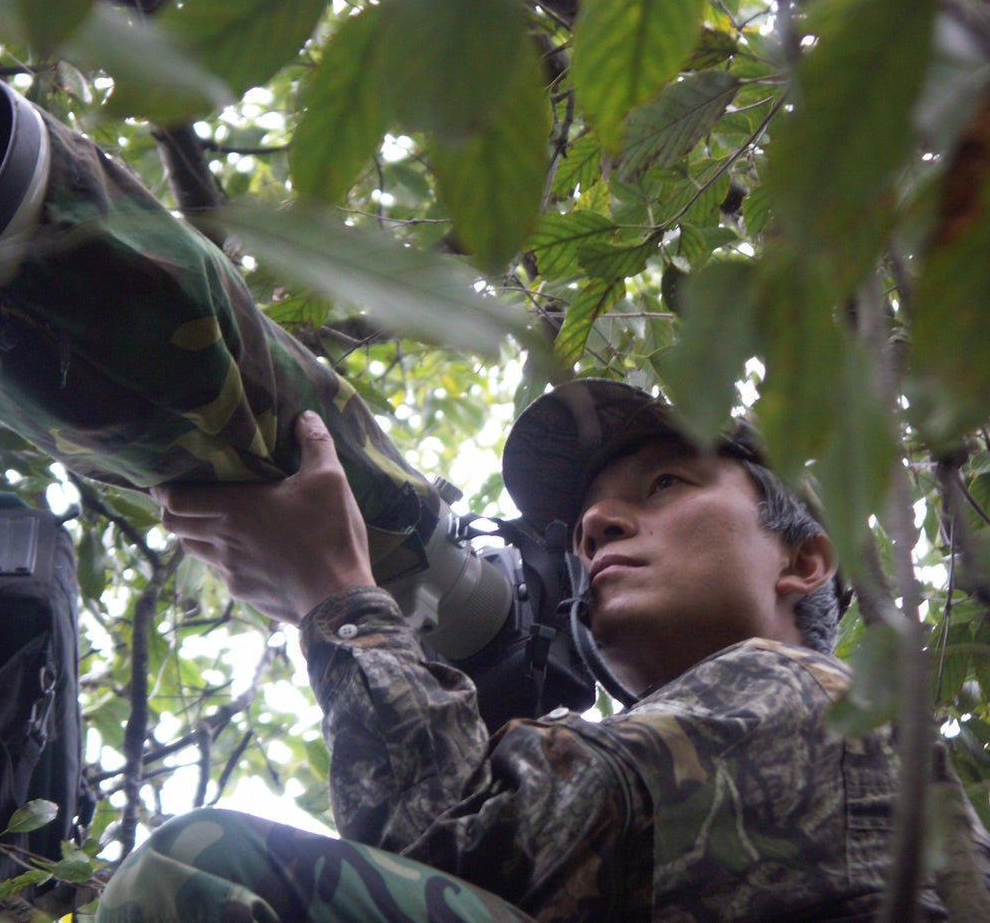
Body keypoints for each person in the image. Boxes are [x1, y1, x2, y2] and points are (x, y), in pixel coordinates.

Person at [96, 378, 977, 922]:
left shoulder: (809, 692)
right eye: (585, 527)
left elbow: (449, 847)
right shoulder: (685, 789)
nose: (595, 526)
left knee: (204, 869)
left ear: (803, 560)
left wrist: (335, 595)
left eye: (665, 483)